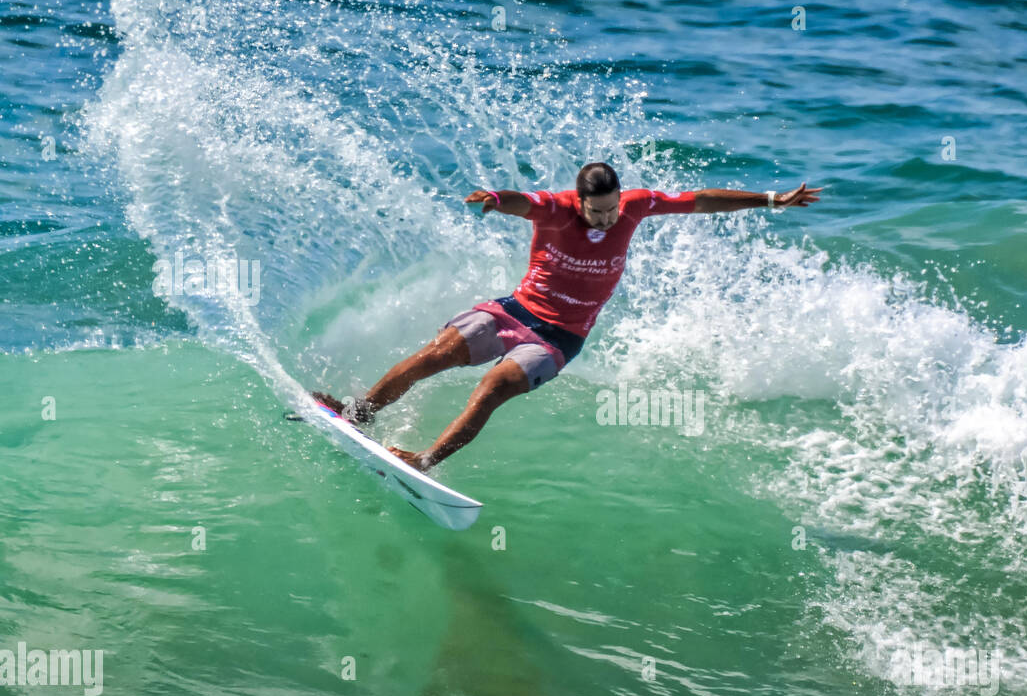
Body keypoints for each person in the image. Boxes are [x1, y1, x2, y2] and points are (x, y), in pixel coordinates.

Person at [315, 162, 821, 471]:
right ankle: (359, 414)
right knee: (436, 354)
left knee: (494, 389)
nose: (604, 218)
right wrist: (495, 199)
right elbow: (521, 201)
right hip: (515, 310)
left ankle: (424, 462)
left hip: (562, 335)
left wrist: (772, 199)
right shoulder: (556, 209)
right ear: (577, 200)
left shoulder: (636, 206)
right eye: (594, 211)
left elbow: (700, 199)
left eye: (610, 210)